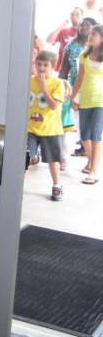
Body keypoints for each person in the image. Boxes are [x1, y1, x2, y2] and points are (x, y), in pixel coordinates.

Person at [27, 51, 65, 201]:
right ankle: (17, 186)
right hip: (30, 127)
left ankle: (57, 185)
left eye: (45, 65)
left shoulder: (57, 83)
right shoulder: (29, 80)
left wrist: (44, 87)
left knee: (52, 159)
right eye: (39, 64)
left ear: (52, 67)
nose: (41, 68)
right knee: (24, 157)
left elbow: (54, 105)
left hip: (49, 129)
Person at [70, 24, 103, 185]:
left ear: (102, 38)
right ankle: (92, 162)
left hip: (101, 101)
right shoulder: (83, 55)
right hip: (86, 99)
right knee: (84, 135)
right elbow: (79, 79)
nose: (90, 37)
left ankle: (93, 171)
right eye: (90, 34)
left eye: (94, 35)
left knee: (96, 136)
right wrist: (72, 97)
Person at [59, 17, 94, 159]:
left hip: (91, 89)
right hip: (74, 87)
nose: (83, 28)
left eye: (87, 26)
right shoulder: (71, 46)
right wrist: (61, 85)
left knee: (89, 120)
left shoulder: (96, 47)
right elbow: (64, 68)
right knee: (75, 120)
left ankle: (88, 149)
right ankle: (82, 147)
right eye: (81, 26)